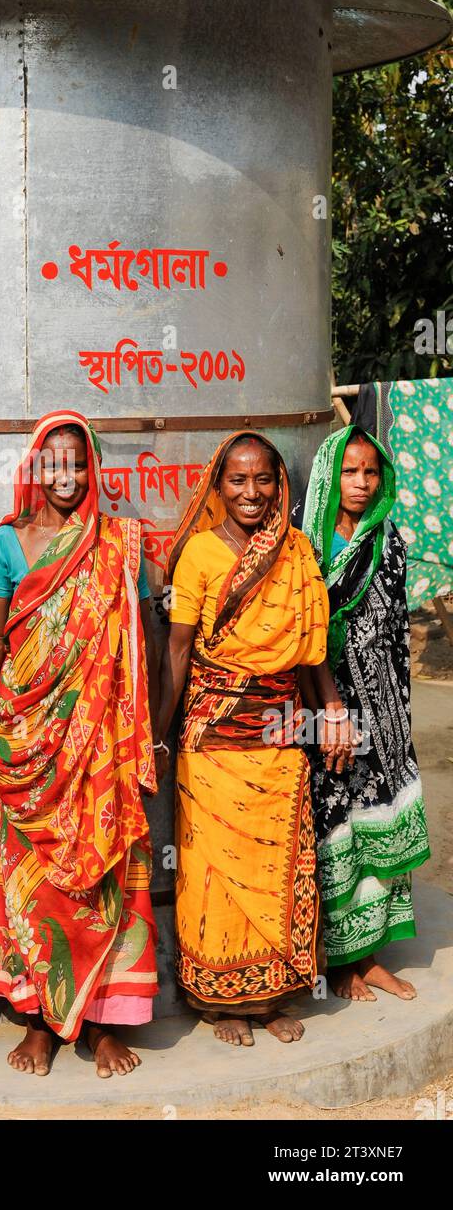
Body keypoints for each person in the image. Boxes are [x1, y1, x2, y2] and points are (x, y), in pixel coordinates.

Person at [0, 411, 163, 1078]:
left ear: (93, 469)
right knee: (29, 880)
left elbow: (143, 642)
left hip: (102, 742)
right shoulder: (8, 543)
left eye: (77, 462)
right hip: (27, 740)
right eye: (53, 462)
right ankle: (37, 1020)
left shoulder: (123, 544)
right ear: (34, 469)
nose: (65, 475)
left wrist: (142, 729)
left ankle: (100, 1025)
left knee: (105, 875)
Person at [159, 430, 352, 1047]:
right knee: (215, 870)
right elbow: (178, 650)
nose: (250, 492)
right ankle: (222, 1004)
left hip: (282, 729)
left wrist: (334, 711)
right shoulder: (198, 555)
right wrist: (160, 737)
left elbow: (313, 651)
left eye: (262, 479)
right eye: (237, 480)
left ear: (279, 485)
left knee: (275, 863)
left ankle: (270, 998)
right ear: (218, 486)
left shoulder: (296, 551)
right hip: (212, 732)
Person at [296, 424, 430, 1000]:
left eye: (371, 472)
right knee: (336, 824)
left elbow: (397, 632)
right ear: (331, 474)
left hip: (385, 711)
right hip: (326, 706)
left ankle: (371, 956)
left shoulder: (388, 540)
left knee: (379, 820)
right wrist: (326, 711)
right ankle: (342, 961)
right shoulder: (307, 545)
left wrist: (395, 715)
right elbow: (304, 635)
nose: (361, 482)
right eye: (350, 472)